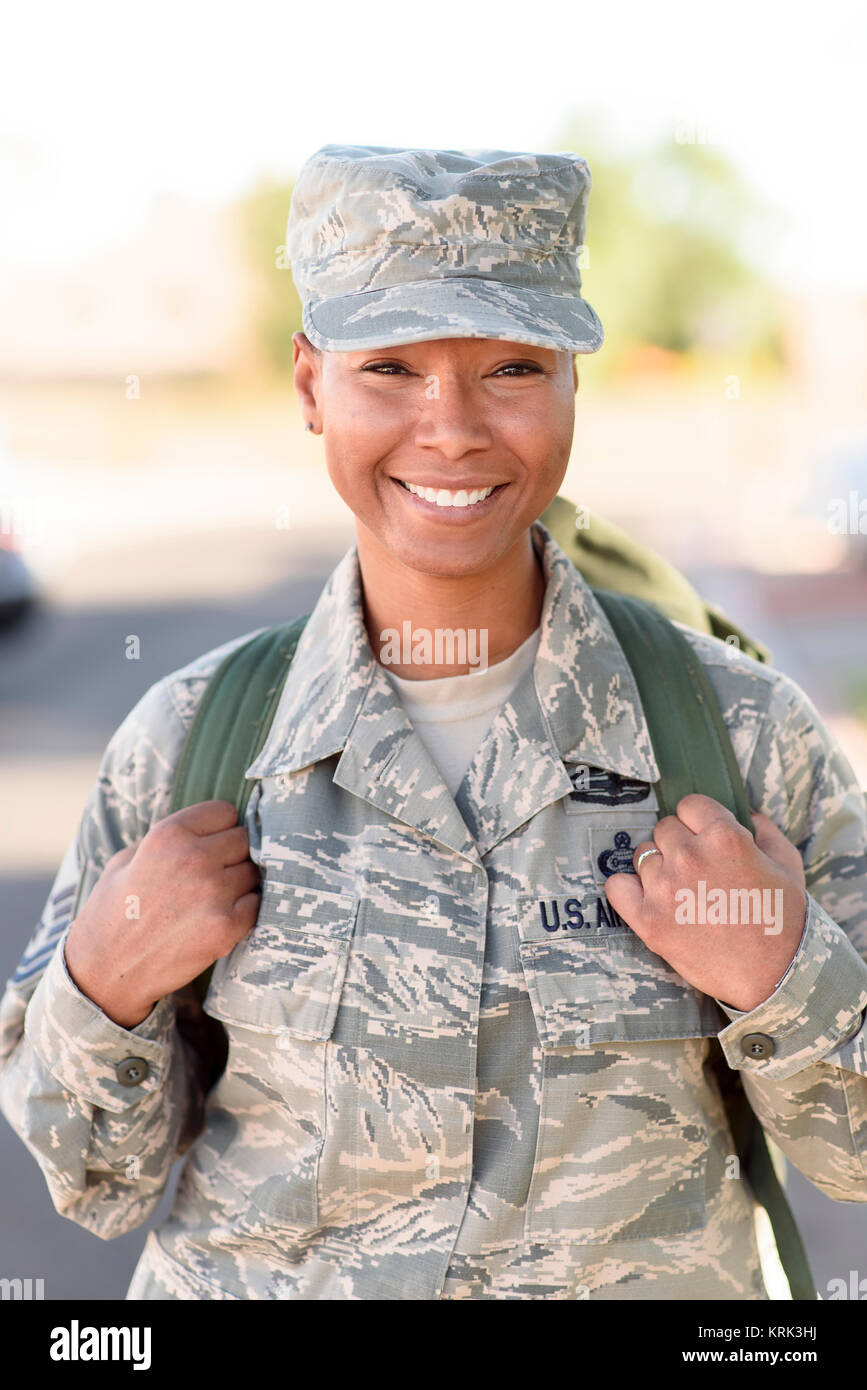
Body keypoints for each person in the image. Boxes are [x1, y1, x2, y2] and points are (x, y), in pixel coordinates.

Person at [1, 145, 865, 1302]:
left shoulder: (735, 734)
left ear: (571, 383)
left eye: (510, 367)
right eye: (393, 368)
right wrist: (100, 980)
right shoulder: (194, 743)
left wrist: (783, 973)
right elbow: (88, 1177)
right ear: (312, 386)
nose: (451, 428)